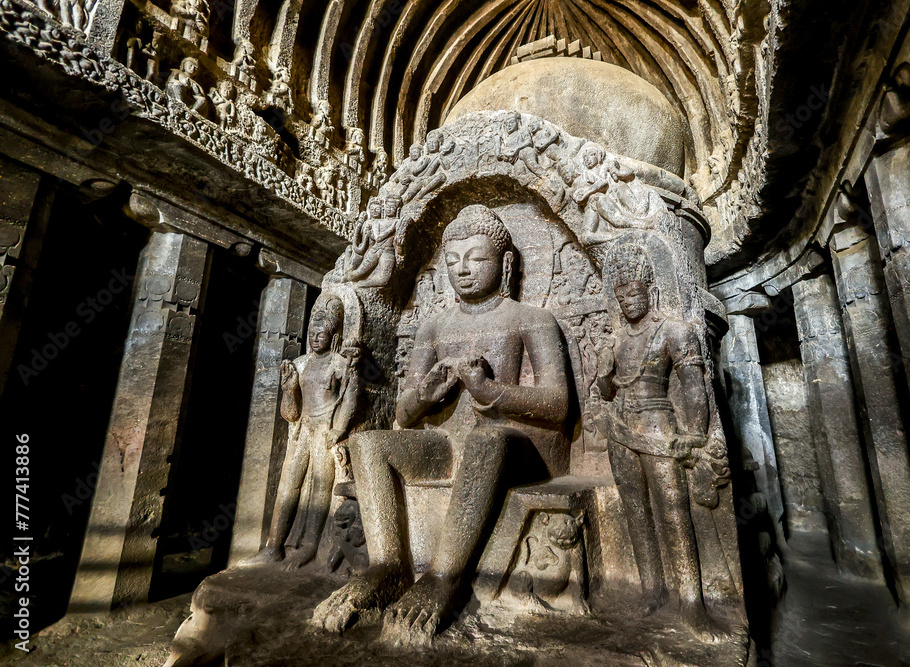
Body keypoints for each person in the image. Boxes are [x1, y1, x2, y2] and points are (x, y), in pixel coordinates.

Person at [311, 204, 570, 647]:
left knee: (487, 440)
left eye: (476, 258)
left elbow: (559, 404)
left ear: (506, 264)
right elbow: (404, 414)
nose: (462, 270)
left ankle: (444, 577)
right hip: (450, 443)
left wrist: (493, 393)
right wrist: (425, 396)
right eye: (452, 261)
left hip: (518, 443)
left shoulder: (530, 319)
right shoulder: (434, 327)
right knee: (372, 442)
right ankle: (388, 566)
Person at [594, 242, 725, 642]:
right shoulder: (615, 340)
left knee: (673, 509)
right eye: (621, 297)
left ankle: (692, 600)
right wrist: (602, 372)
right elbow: (603, 392)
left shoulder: (675, 330)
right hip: (620, 430)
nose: (628, 302)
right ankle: (653, 588)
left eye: (634, 293)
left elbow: (694, 386)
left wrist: (695, 434)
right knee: (635, 509)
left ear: (650, 291)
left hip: (659, 427)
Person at [241, 296, 360, 569]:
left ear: (333, 336)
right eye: (311, 333)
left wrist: (339, 428)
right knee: (287, 485)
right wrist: (289, 391)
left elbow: (352, 396)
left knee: (321, 487)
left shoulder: (339, 364)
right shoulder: (302, 363)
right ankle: (273, 546)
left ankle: (309, 546)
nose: (315, 338)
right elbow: (290, 414)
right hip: (302, 430)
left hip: (325, 429)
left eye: (322, 334)